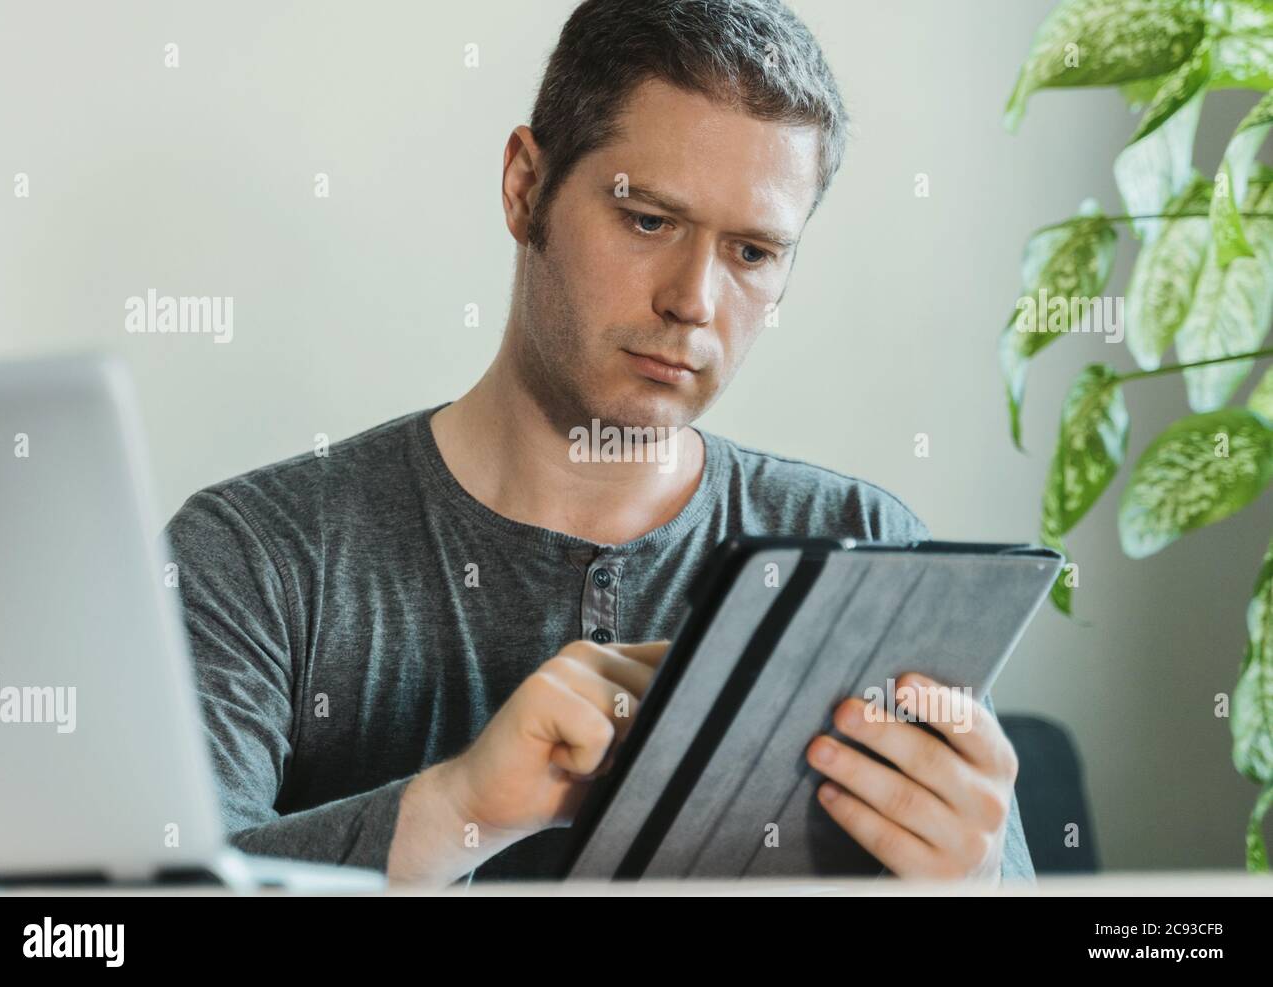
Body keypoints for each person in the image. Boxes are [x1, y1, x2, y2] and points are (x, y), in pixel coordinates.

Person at [163, 0, 1034, 887]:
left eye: (753, 253)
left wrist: (983, 886)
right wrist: (456, 811)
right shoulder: (255, 556)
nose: (693, 301)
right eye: (649, 220)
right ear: (524, 188)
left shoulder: (866, 552)